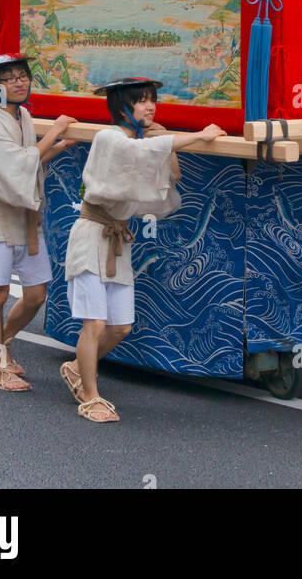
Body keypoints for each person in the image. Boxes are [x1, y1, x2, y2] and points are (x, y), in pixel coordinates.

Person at [61, 78, 225, 423]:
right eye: (142, 101)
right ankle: (90, 396)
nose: (150, 106)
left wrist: (167, 142)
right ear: (122, 107)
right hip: (91, 235)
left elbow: (171, 176)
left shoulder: (140, 140)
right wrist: (198, 135)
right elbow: (141, 153)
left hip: (117, 237)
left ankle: (76, 368)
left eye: (152, 100)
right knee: (94, 323)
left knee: (121, 326)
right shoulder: (109, 138)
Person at [0, 53, 74, 391]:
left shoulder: (23, 115)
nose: (19, 82)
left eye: (23, 75)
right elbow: (16, 164)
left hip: (27, 218)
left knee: (36, 294)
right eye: (10, 78)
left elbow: (29, 159)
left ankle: (0, 343)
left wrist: (58, 146)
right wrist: (55, 129)